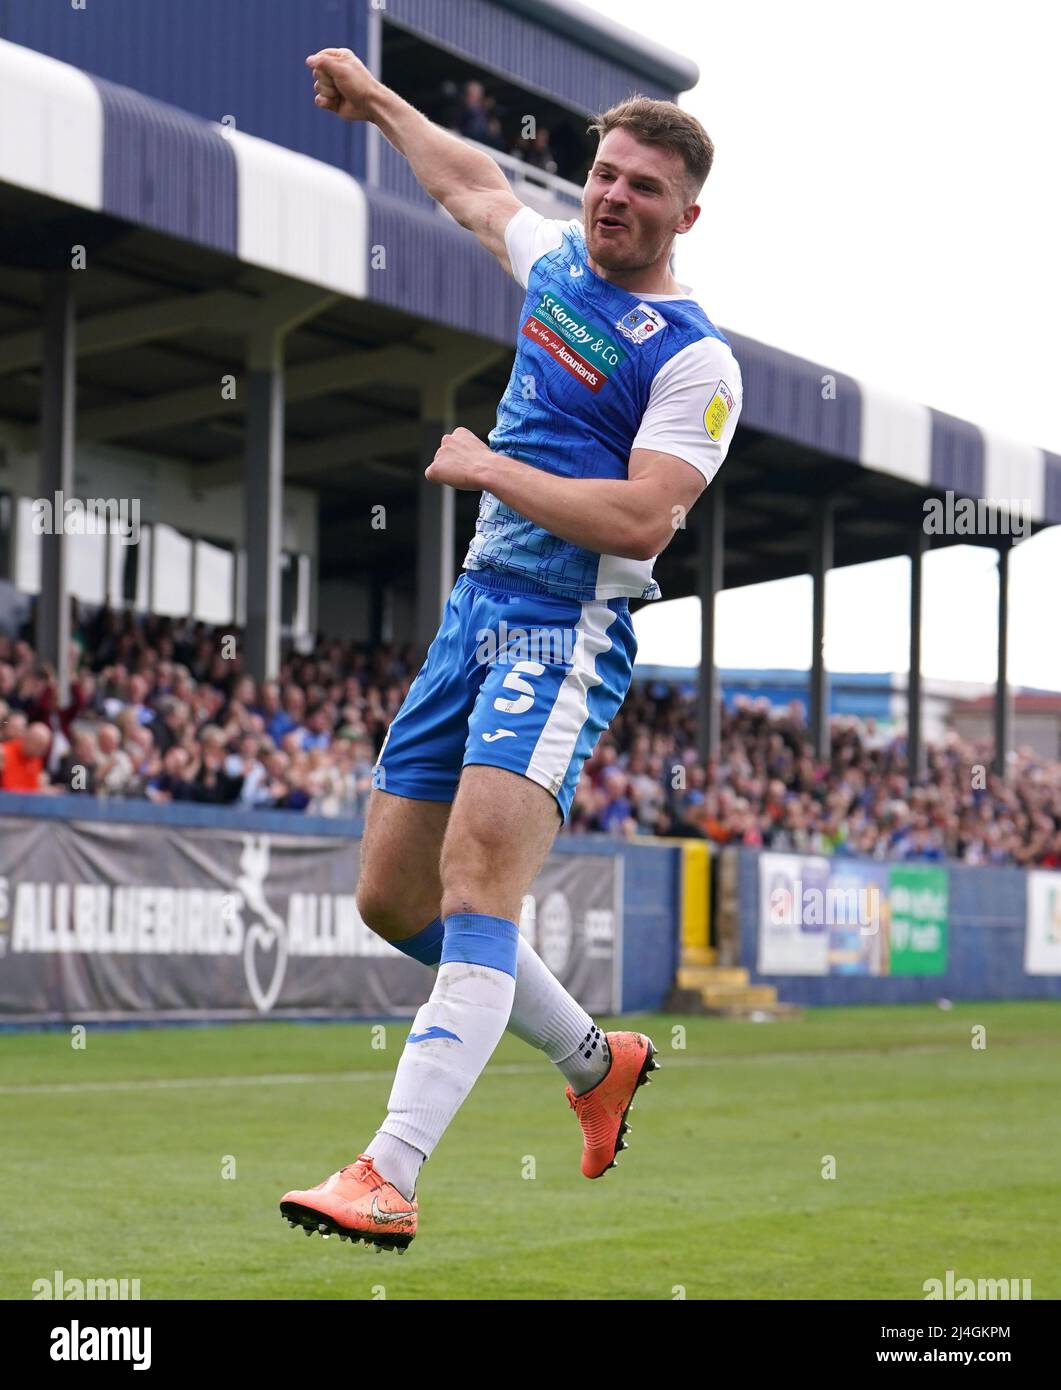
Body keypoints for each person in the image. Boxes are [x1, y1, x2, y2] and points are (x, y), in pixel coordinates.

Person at [287, 44, 742, 1253]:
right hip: (472, 614)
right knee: (391, 897)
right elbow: (470, 188)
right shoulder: (554, 267)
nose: (612, 197)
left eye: (643, 188)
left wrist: (493, 466)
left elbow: (645, 516)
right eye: (603, 175)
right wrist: (380, 100)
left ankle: (387, 1172)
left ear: (683, 213)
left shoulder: (694, 361)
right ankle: (597, 1061)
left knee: (478, 895)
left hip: (562, 631)